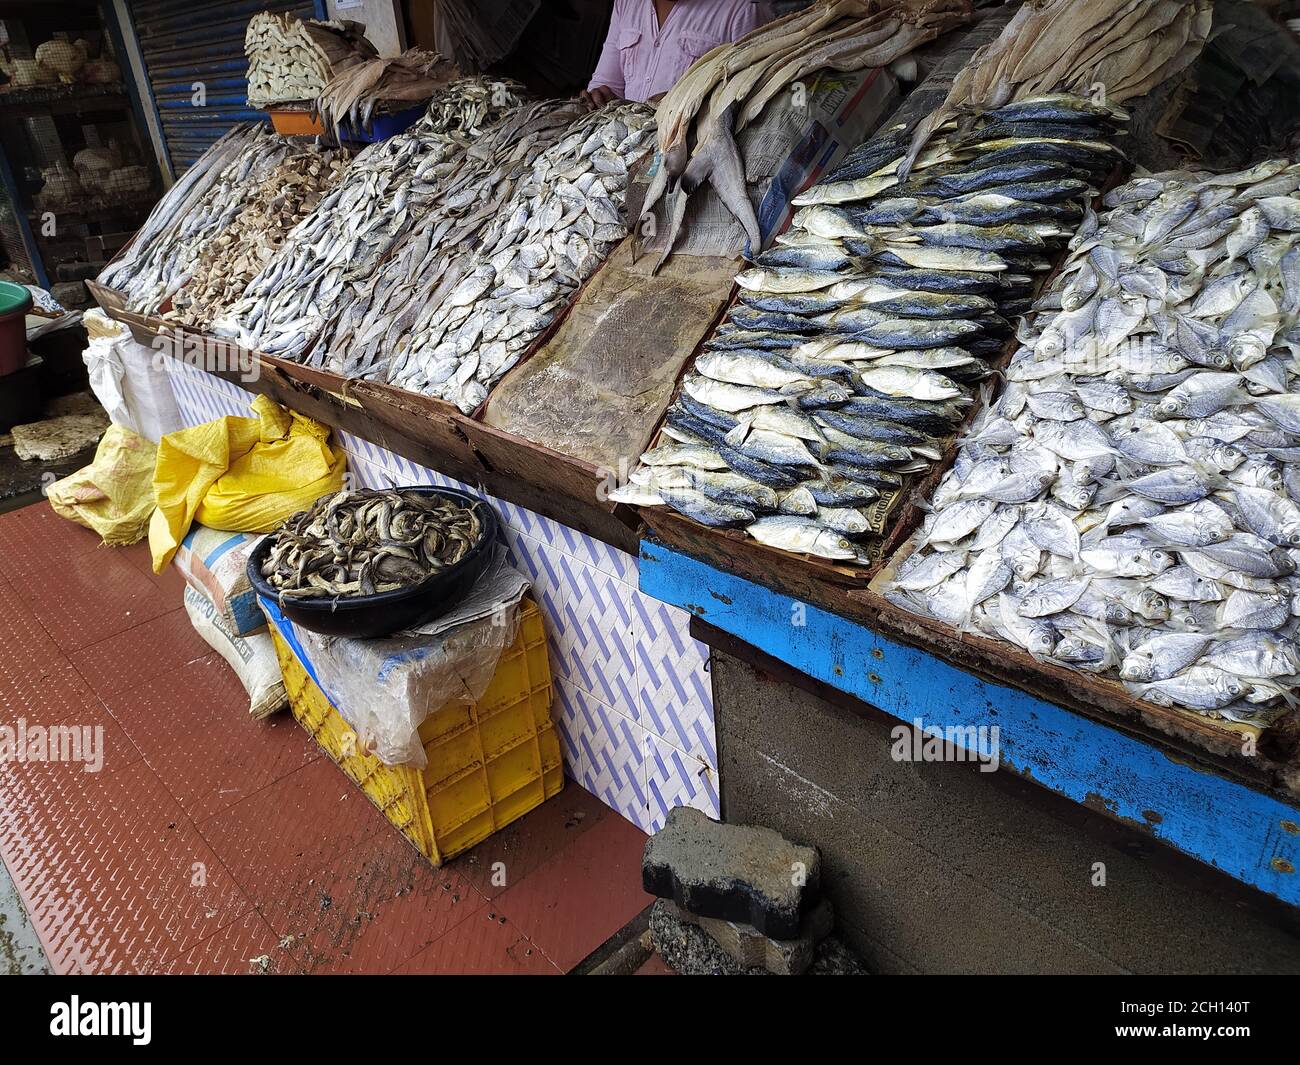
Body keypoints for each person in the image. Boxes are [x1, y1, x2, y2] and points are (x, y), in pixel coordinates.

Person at [581, 0, 774, 107]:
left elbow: (752, 99)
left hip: (688, 157)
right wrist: (598, 98)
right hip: (625, 149)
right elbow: (608, 84)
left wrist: (688, 102)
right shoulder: (627, 3)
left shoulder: (743, 8)